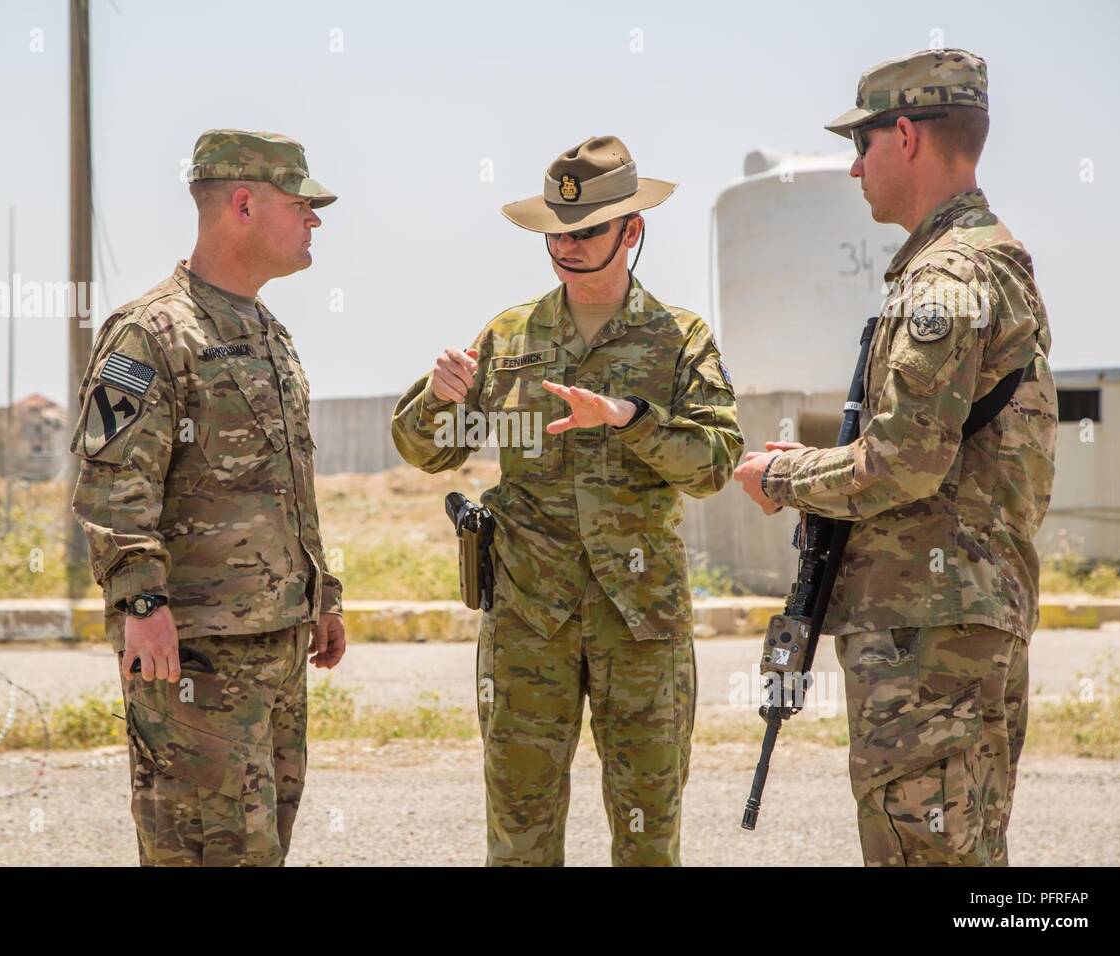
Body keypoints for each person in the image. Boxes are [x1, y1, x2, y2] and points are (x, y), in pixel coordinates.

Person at [733, 50, 1057, 866]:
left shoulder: (944, 280)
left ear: (905, 136)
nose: (853, 167)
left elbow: (903, 463)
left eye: (864, 143)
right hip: (958, 626)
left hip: (926, 637)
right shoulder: (990, 259)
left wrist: (779, 475)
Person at [392, 135, 744, 866]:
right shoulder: (510, 337)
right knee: (520, 839)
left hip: (640, 624)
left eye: (587, 231)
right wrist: (439, 397)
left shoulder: (679, 340)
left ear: (632, 230)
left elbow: (714, 464)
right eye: (558, 232)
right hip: (528, 623)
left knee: (649, 839)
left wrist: (630, 420)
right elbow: (427, 450)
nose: (569, 246)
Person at [69, 129, 346, 866]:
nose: (316, 219)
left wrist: (323, 595)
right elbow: (112, 482)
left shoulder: (268, 331)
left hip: (277, 647)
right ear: (246, 205)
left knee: (259, 851)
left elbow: (287, 481)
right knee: (199, 850)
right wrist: (142, 605)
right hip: (194, 657)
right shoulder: (150, 333)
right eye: (302, 203)